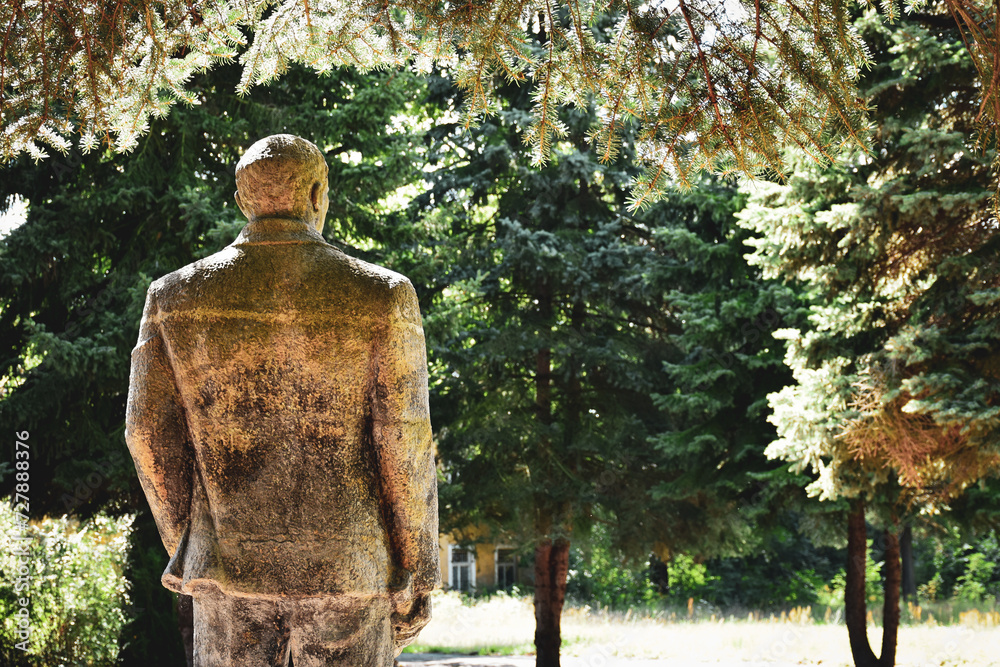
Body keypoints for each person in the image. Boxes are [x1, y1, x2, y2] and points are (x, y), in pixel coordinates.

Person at [125, 134, 439, 667]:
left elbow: (145, 434)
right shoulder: (382, 294)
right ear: (317, 195)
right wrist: (417, 567)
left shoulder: (173, 297)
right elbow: (403, 440)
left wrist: (197, 539)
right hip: (348, 571)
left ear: (243, 200)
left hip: (225, 570)